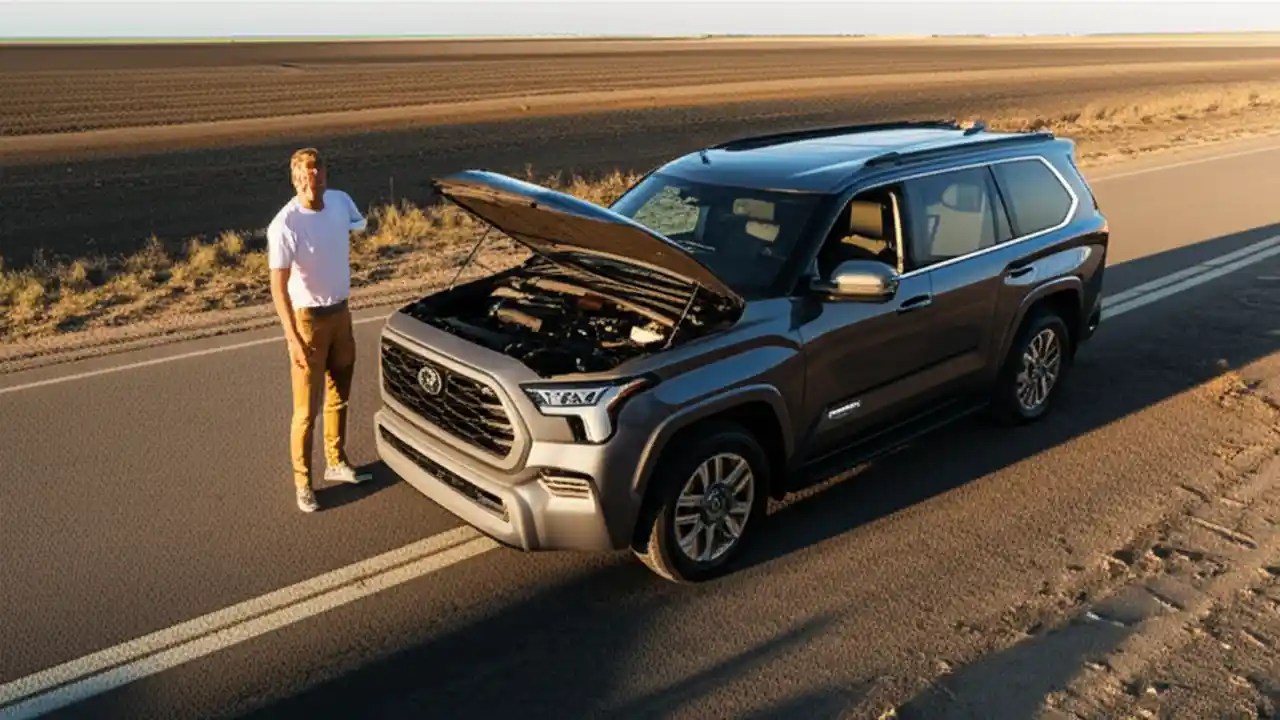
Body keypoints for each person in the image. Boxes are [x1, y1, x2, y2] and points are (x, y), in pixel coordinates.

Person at [267, 147, 370, 512]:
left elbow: (360, 224)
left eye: (317, 174)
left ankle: (337, 461)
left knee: (339, 394)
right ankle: (303, 483)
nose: (311, 182)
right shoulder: (285, 225)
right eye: (304, 177)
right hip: (308, 322)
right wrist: (292, 339)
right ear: (295, 180)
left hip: (341, 315)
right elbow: (277, 288)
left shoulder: (340, 202)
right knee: (305, 412)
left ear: (325, 175)